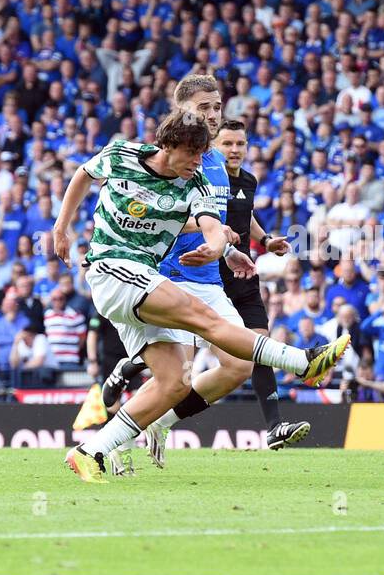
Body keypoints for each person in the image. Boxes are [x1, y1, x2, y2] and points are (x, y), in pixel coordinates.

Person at [52, 110, 348, 483]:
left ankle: (89, 451)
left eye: (201, 153)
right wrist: (61, 227)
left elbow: (211, 226)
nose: (198, 162)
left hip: (142, 278)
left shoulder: (197, 185)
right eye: (192, 153)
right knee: (202, 317)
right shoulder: (121, 155)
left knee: (174, 382)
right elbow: (83, 174)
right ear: (168, 145)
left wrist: (216, 248)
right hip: (111, 268)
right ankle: (303, 363)